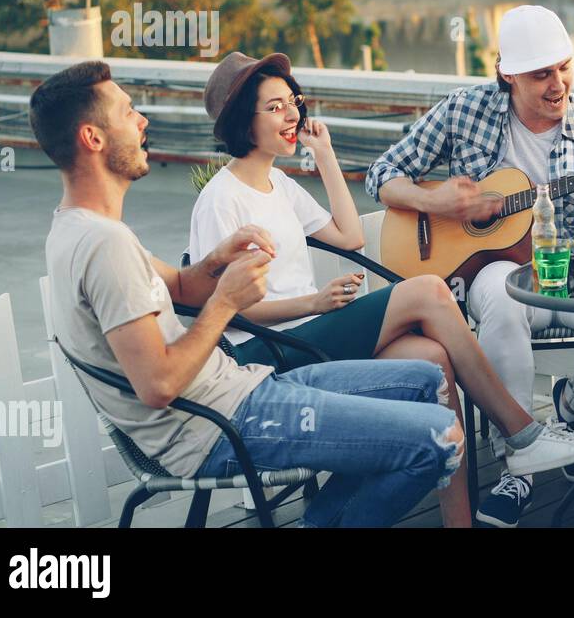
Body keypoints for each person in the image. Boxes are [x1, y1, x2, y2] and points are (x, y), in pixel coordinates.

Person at [190, 51, 574, 528]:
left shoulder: (279, 185)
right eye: (275, 107)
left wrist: (325, 156)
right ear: (244, 122)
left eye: (294, 102)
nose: (292, 115)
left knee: (434, 357)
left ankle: (460, 522)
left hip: (311, 335)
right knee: (429, 290)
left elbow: (349, 237)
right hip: (269, 354)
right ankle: (523, 434)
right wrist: (314, 302)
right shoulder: (219, 200)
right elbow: (223, 311)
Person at [34, 61, 461, 527]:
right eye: (128, 112)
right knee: (440, 437)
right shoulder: (104, 245)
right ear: (93, 138)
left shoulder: (85, 231)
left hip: (243, 388)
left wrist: (216, 261)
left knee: (426, 380)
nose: (143, 121)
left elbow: (179, 285)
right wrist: (225, 302)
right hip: (220, 426)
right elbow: (157, 386)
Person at [367, 4, 574, 527]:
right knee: (503, 296)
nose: (558, 84)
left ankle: (568, 416)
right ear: (507, 73)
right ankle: (520, 464)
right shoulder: (465, 110)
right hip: (492, 272)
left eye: (564, 67)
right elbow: (383, 173)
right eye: (541, 74)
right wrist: (437, 201)